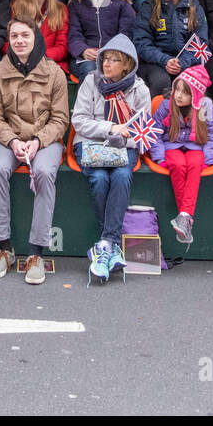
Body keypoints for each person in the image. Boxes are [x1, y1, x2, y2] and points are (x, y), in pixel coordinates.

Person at [0, 18, 71, 286]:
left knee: (44, 172)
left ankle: (36, 253)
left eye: (25, 35)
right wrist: (11, 142)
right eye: (14, 36)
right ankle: (4, 247)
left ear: (36, 38)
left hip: (45, 140)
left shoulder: (54, 73)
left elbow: (60, 119)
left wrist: (37, 141)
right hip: (7, 139)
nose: (20, 41)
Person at [71, 34, 151, 280]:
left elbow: (141, 131)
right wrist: (110, 128)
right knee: (99, 178)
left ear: (127, 64)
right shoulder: (90, 82)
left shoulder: (140, 89)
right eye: (105, 58)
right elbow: (80, 121)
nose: (106, 64)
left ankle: (106, 245)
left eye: (114, 60)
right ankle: (111, 245)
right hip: (91, 144)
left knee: (121, 174)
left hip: (123, 146)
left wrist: (121, 138)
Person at [150, 65, 213, 245]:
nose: (178, 95)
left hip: (196, 146)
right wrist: (159, 157)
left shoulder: (204, 108)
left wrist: (209, 159)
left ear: (195, 95)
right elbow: (155, 132)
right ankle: (186, 217)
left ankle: (184, 217)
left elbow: (212, 134)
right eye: (177, 89)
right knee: (178, 165)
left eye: (185, 92)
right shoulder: (167, 106)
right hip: (170, 144)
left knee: (195, 165)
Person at [134, 0, 209, 97]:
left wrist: (183, 63)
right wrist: (165, 60)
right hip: (156, 62)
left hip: (185, 62)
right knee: (160, 81)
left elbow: (201, 42)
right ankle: (157, 116)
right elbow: (141, 42)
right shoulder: (149, 7)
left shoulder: (194, 8)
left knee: (191, 82)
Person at [68, 0, 136, 81]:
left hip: (115, 54)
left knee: (114, 70)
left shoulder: (120, 0)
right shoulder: (77, 3)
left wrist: (110, 53)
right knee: (91, 71)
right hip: (86, 58)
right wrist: (83, 50)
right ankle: (89, 102)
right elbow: (74, 34)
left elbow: (125, 33)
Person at [10, 0, 70, 66]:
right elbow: (8, 42)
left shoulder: (60, 9)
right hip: (20, 61)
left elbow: (62, 47)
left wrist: (40, 55)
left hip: (49, 62)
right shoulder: (17, 5)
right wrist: (23, 56)